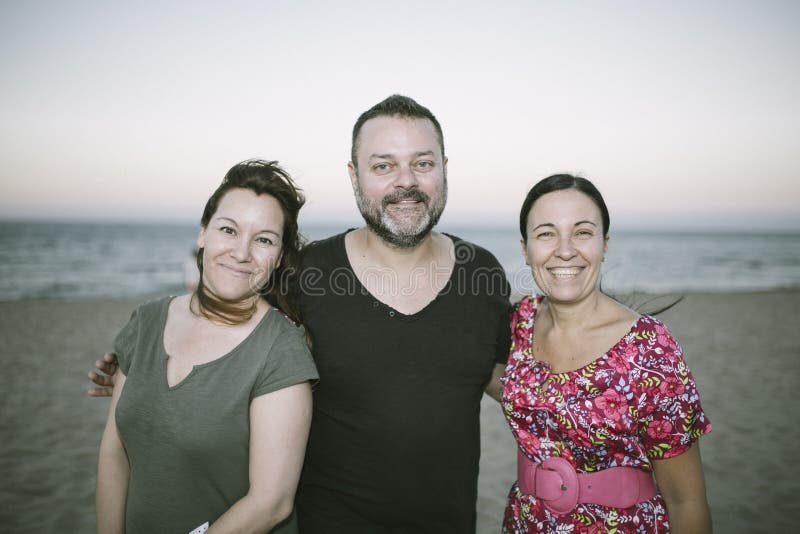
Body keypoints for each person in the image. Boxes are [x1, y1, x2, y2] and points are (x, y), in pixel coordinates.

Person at [90, 96, 511, 533]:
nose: (406, 182)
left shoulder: (481, 272)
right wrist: (138, 372)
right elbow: (228, 332)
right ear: (354, 176)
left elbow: (500, 377)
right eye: (383, 166)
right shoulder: (306, 275)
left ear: (444, 166)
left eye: (422, 163)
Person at [95, 160, 318, 534]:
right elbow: (114, 452)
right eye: (229, 230)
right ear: (203, 234)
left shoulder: (281, 349)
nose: (242, 252)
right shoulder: (147, 321)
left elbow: (271, 503)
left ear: (278, 257)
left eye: (263, 239)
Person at [502, 174, 712, 533]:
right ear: (525, 248)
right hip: (524, 523)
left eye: (582, 232)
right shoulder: (521, 321)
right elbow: (498, 381)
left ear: (605, 243)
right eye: (546, 233)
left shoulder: (649, 348)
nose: (565, 250)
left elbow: (686, 499)